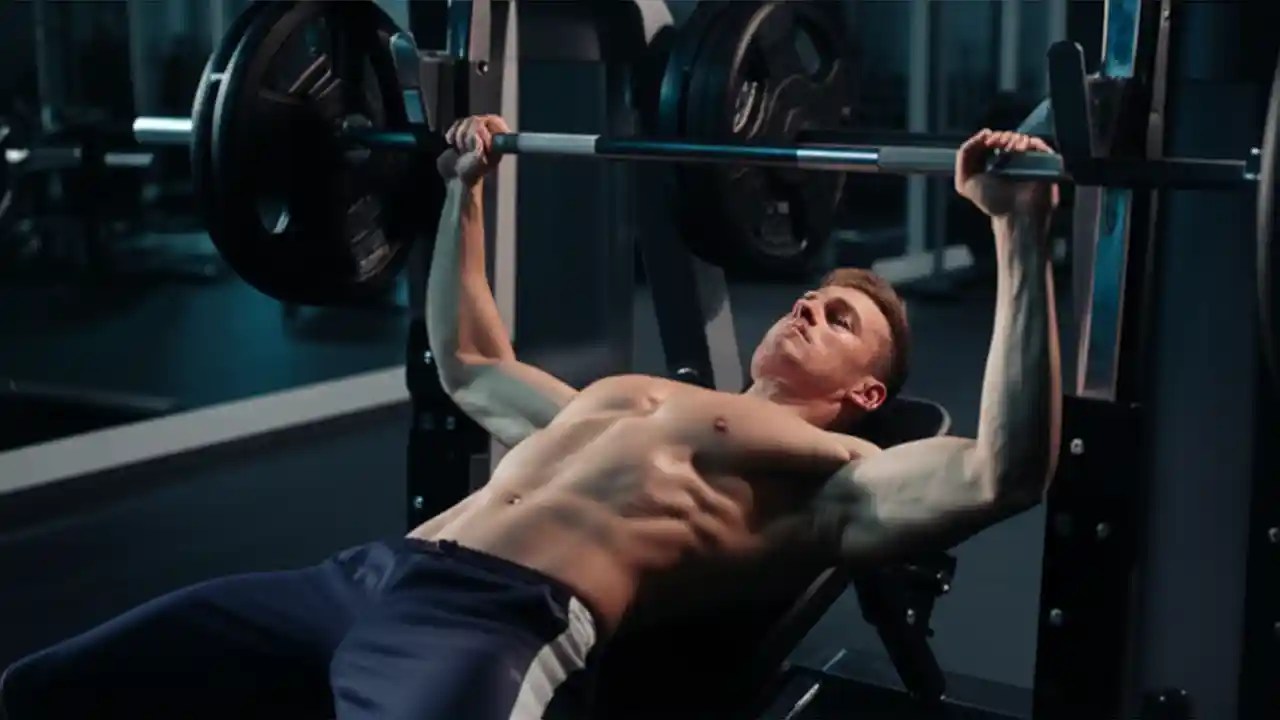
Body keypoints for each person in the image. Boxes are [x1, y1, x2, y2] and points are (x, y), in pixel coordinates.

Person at [0, 118, 1062, 720]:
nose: (804, 305)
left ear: (864, 397)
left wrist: (1017, 235)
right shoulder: (625, 399)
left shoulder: (829, 470)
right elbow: (468, 364)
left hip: (492, 624)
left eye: (836, 319)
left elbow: (1000, 473)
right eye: (807, 295)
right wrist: (461, 187)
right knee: (48, 690)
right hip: (350, 579)